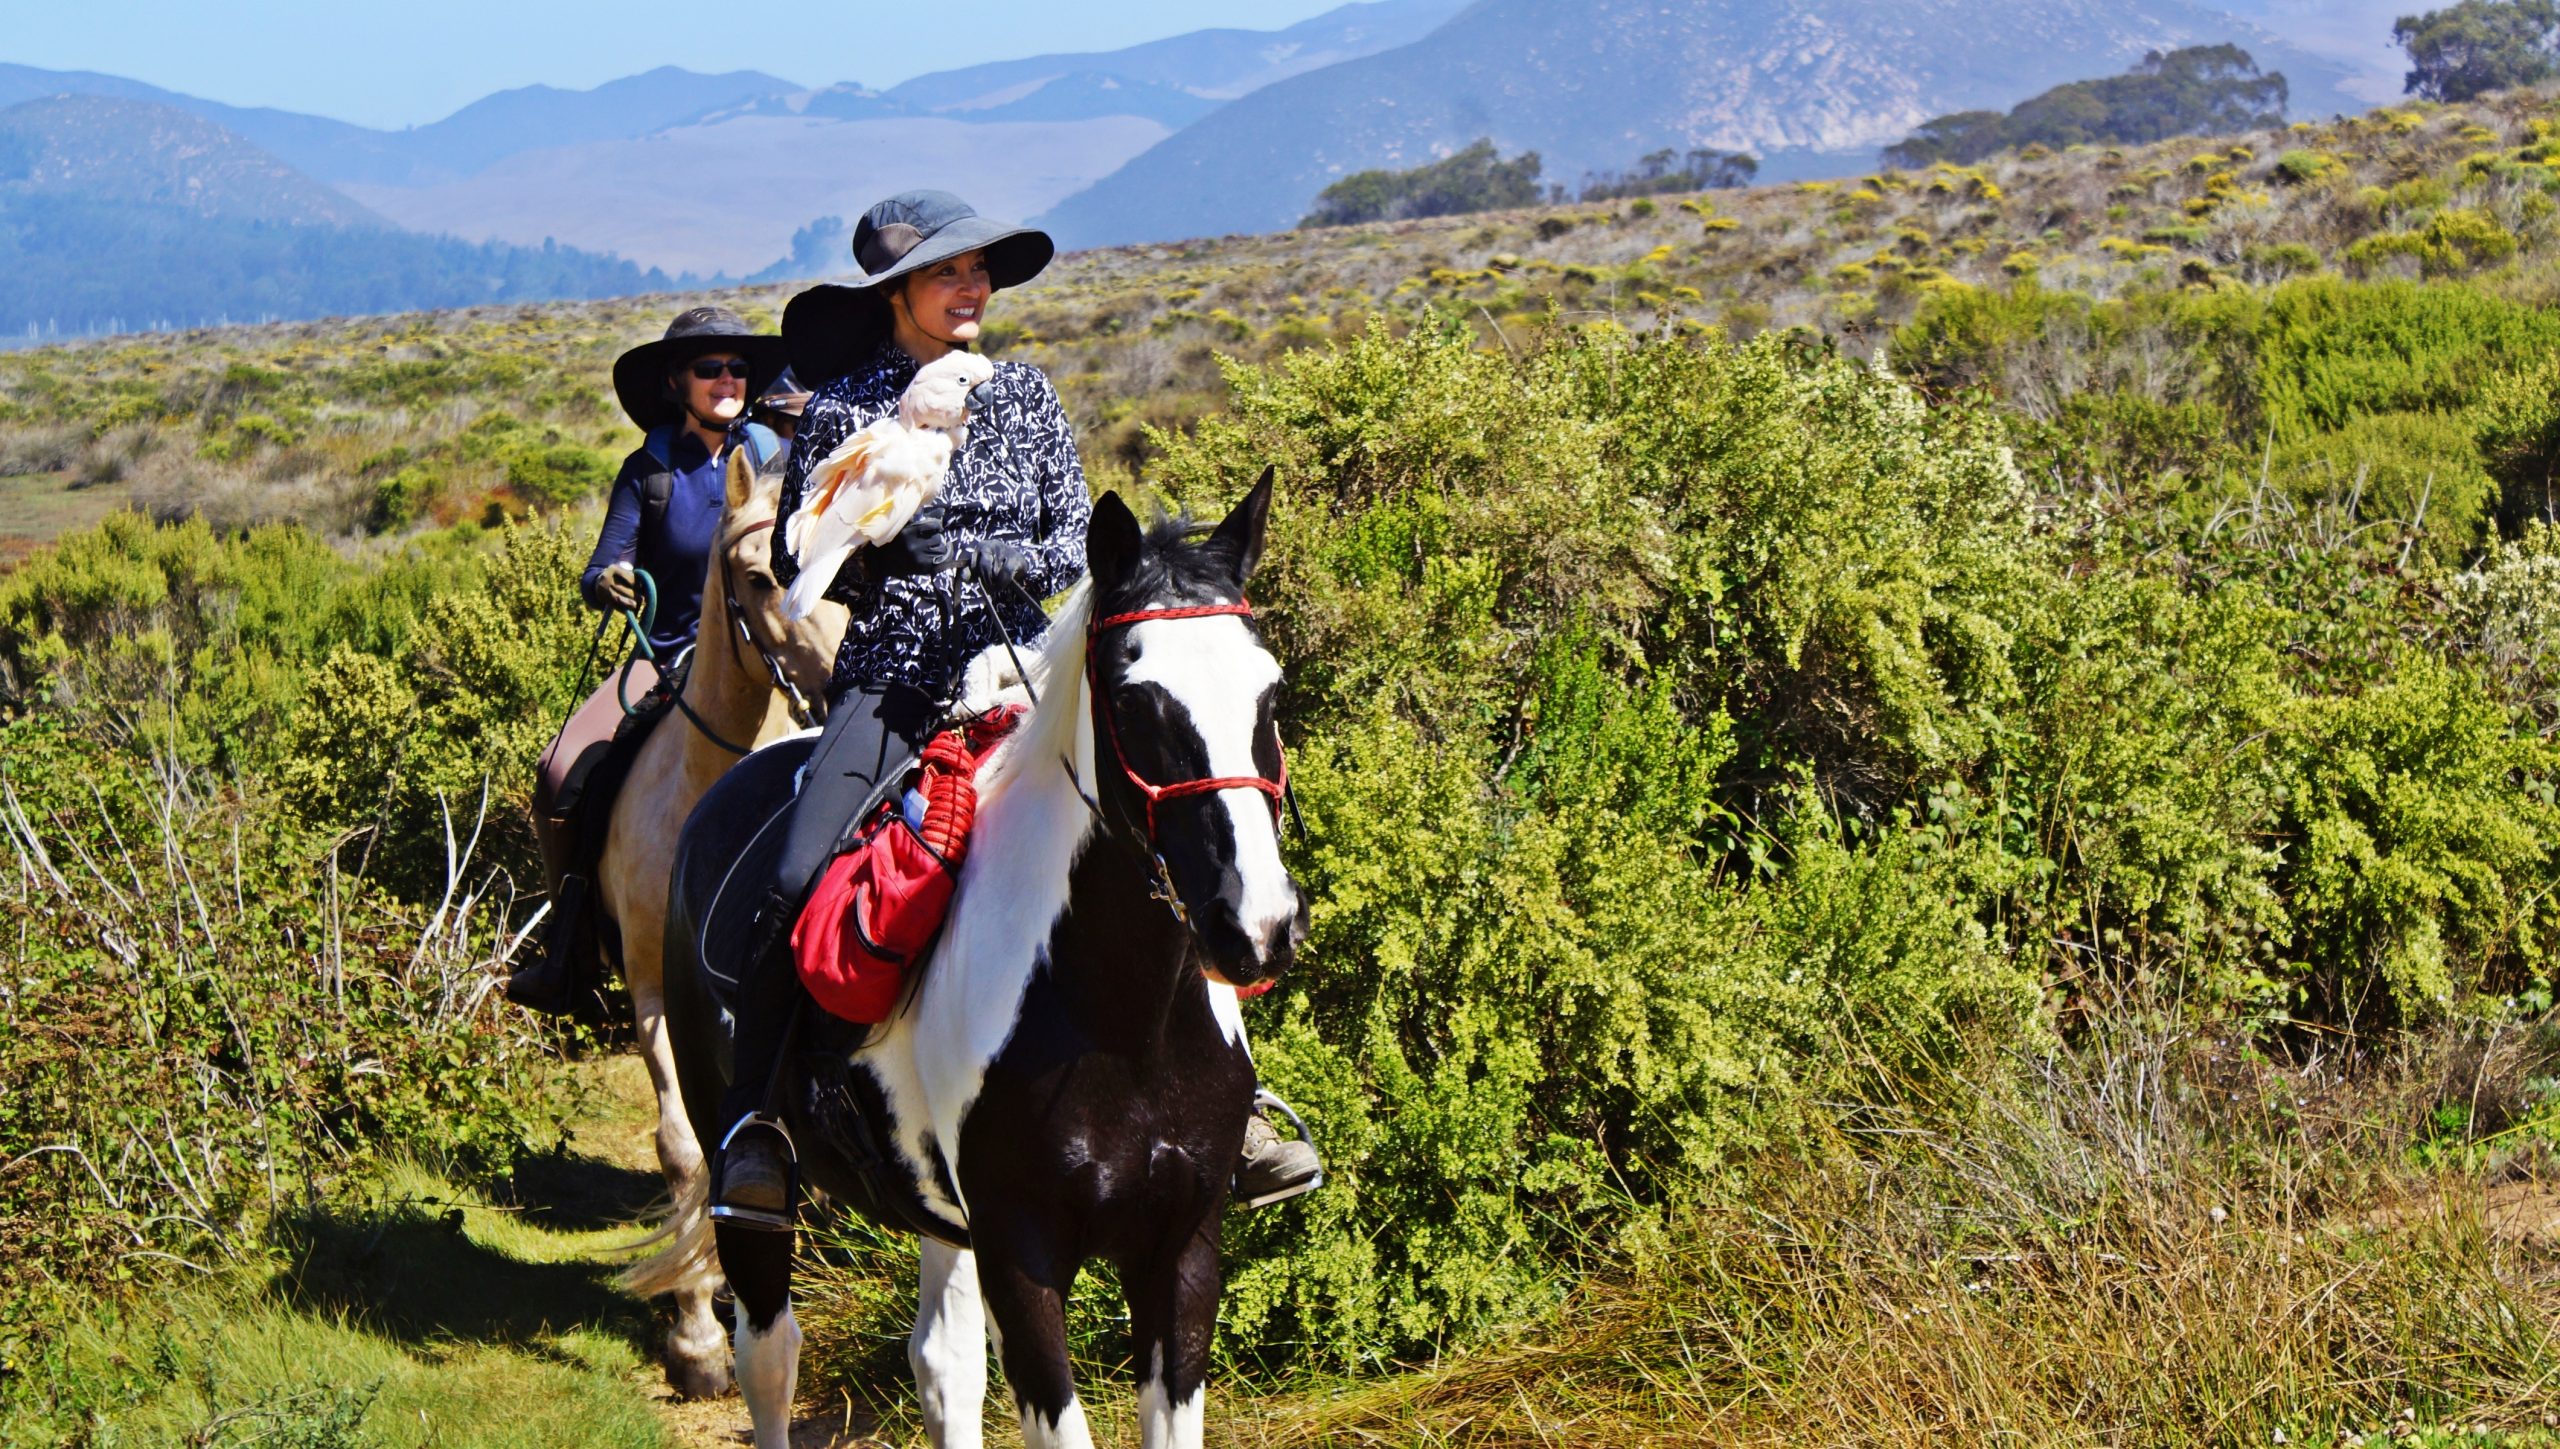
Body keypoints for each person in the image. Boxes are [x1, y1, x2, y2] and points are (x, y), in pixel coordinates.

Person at [713, 190, 1321, 1223]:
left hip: (1019, 674)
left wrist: (989, 553)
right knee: (791, 874)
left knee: (1160, 843)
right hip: (895, 681)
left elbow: (1071, 543)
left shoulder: (1025, 396)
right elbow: (787, 556)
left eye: (980, 271)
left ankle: (1236, 1099)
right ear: (898, 292)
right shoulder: (842, 405)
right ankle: (754, 1126)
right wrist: (874, 555)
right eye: (951, 271)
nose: (973, 287)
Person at [510, 306, 789, 1015]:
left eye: (737, 367)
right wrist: (608, 581)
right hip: (664, 656)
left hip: (767, 652)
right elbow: (604, 562)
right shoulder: (651, 472)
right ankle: (569, 951)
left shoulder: (778, 458)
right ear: (677, 382)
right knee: (559, 769)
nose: (727, 379)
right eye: (709, 368)